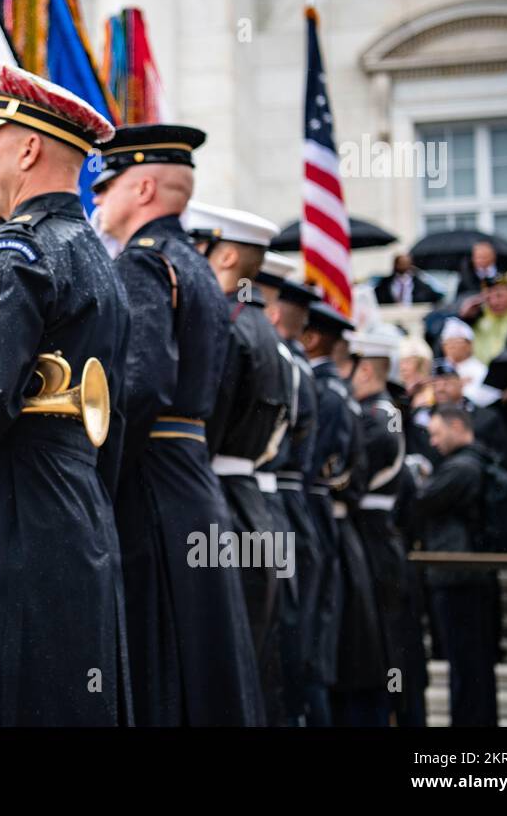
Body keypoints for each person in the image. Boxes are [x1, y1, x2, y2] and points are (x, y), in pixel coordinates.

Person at [0, 60, 130, 726]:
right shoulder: (100, 259)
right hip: (78, 506)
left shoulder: (14, 251)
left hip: (7, 513)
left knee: (3, 692)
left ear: (27, 146)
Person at [91, 123, 263, 725]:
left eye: (105, 184)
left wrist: (99, 474)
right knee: (204, 650)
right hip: (192, 472)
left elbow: (141, 385)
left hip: (152, 483)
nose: (97, 199)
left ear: (140, 189)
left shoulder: (144, 264)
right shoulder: (194, 265)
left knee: (157, 653)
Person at [187, 202, 295, 725]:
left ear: (226, 256)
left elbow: (206, 419)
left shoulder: (230, 327)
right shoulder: (267, 331)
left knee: (225, 659)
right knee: (254, 655)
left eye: (203, 248)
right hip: (255, 502)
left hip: (222, 502)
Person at [258, 258, 323, 727]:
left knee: (275, 634)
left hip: (269, 496)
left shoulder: (277, 358)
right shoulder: (296, 361)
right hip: (287, 501)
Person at [411, 407, 499, 726]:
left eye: (436, 433)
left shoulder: (462, 468)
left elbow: (422, 500)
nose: (432, 441)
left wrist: (416, 479)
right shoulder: (475, 462)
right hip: (466, 573)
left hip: (458, 575)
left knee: (466, 662)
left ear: (458, 426)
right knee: (470, 662)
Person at [345, 329, 411, 725]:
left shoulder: (378, 415)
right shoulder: (378, 411)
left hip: (373, 533)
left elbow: (359, 469)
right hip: (374, 530)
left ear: (366, 370)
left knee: (378, 638)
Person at [298, 301, 357, 725]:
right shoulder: (340, 390)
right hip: (323, 506)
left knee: (310, 635)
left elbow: (310, 458)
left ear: (313, 338)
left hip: (310, 504)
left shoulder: (323, 390)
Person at [438, 317, 497, 406]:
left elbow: (487, 396)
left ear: (469, 345)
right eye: (447, 342)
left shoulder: (480, 369)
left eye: (457, 342)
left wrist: (458, 388)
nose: (451, 346)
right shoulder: (437, 368)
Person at [375, 254, 440, 306]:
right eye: (400, 263)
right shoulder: (385, 283)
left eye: (405, 263)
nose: (402, 266)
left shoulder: (420, 283)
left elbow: (431, 297)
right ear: (395, 264)